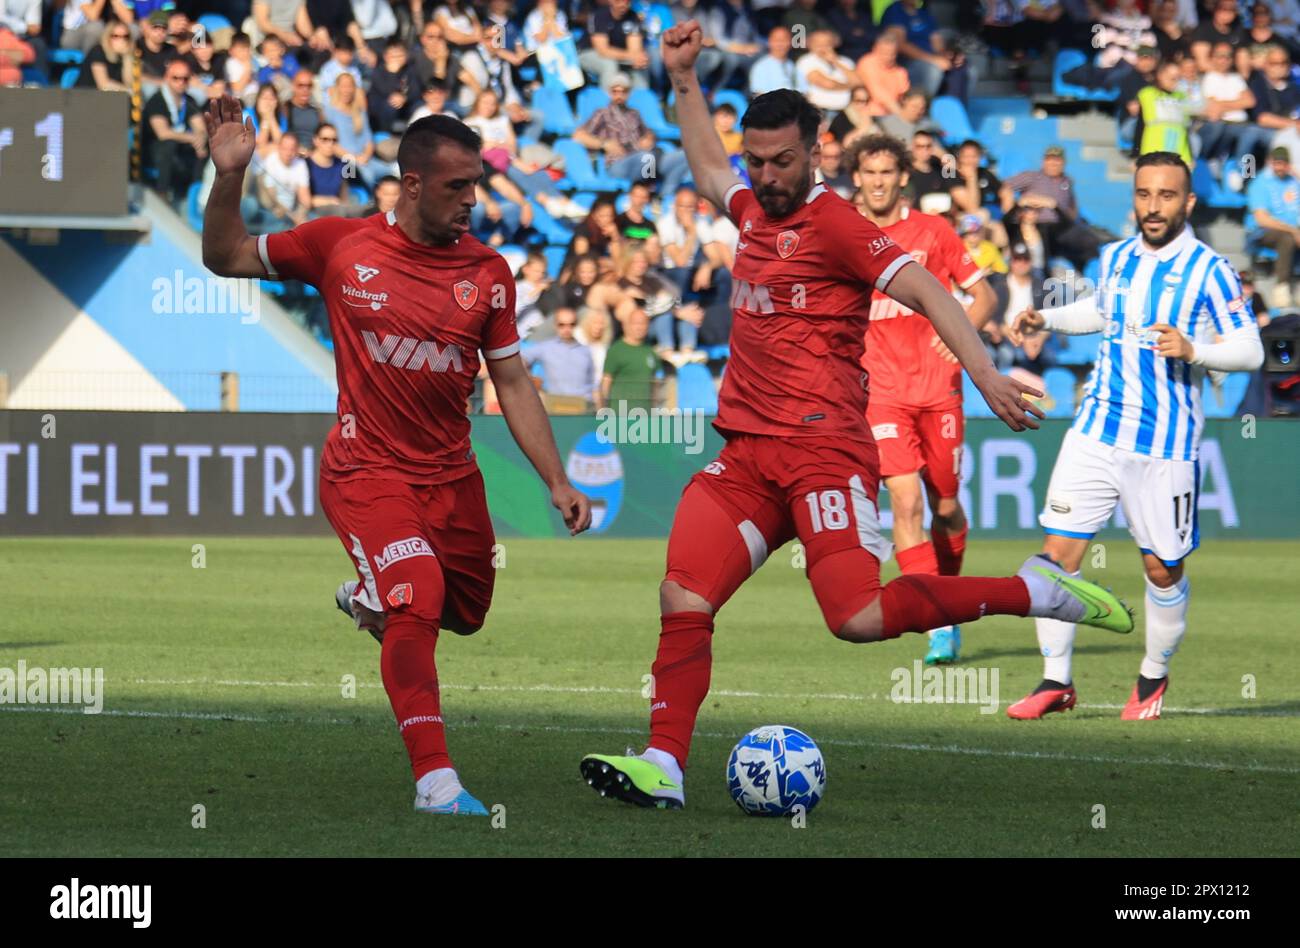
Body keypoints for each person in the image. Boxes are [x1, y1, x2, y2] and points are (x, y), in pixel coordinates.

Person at [579, 20, 1134, 811]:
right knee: (683, 596)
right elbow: (707, 164)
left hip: (823, 454)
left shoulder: (838, 226)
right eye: (758, 161)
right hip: (745, 459)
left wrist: (982, 374)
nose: (765, 175)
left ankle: (1034, 590)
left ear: (816, 153)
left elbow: (929, 289)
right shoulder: (750, 212)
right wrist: (684, 78)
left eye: (782, 161)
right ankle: (664, 764)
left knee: (858, 618)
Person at [201, 99, 592, 815]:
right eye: (457, 186)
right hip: (365, 469)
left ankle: (369, 596)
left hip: (452, 477)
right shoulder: (338, 245)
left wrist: (557, 478)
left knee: (466, 614)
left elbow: (511, 379)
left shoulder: (489, 272)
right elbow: (225, 256)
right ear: (412, 185)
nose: (473, 200)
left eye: (477, 184)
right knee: (418, 595)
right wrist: (230, 174)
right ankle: (436, 783)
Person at [1006, 151, 1264, 721]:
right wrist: (1045, 318)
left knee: (1161, 569)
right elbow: (1103, 311)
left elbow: (1251, 350)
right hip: (1095, 430)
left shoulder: (1209, 269)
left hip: (1165, 445)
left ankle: (1152, 677)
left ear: (1188, 202)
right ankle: (1055, 681)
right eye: (1145, 194)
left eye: (1166, 195)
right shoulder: (1116, 256)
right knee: (1055, 558)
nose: (1153, 206)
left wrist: (1197, 350)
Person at [848, 133, 997, 666]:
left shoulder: (933, 232)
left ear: (902, 177)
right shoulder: (845, 234)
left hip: (939, 392)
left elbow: (985, 295)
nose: (879, 181)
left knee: (947, 509)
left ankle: (950, 602)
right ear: (856, 178)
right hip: (882, 395)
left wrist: (963, 334)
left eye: (888, 171)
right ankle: (936, 619)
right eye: (870, 172)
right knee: (905, 503)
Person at [1247, 145, 1300, 307]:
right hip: (1262, 232)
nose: (1280, 167)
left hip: (1294, 229)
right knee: (1287, 238)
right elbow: (1262, 219)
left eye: (1283, 163)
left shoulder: (1293, 181)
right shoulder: (1260, 183)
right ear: (1270, 162)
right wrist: (1293, 230)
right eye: (1276, 163)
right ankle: (1282, 287)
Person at [525, 308, 598, 406]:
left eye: (571, 324)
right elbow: (521, 360)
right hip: (556, 405)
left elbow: (593, 383)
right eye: (561, 325)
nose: (567, 329)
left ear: (576, 325)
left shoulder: (585, 351)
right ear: (555, 325)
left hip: (583, 405)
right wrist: (529, 379)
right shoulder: (545, 347)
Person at [601, 304, 661, 411]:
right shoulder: (616, 350)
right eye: (636, 323)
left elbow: (655, 383)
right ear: (627, 325)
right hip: (620, 414)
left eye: (643, 323)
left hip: (644, 414)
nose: (640, 327)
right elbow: (606, 381)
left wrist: (654, 407)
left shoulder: (651, 351)